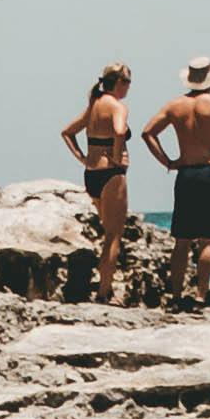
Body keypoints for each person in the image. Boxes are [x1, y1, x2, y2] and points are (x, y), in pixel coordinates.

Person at [142, 57, 210, 308]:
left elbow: (147, 133)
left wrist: (168, 162)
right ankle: (200, 297)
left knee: (182, 240)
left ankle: (177, 297)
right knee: (206, 240)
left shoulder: (175, 106)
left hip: (186, 173)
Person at [60, 64, 134, 302]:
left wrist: (81, 157)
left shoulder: (94, 105)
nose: (129, 87)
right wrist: (117, 155)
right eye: (128, 82)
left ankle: (105, 287)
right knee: (113, 235)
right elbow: (119, 131)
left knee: (107, 232)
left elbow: (67, 132)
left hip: (91, 173)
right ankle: (104, 291)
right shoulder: (117, 106)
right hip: (111, 173)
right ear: (119, 82)